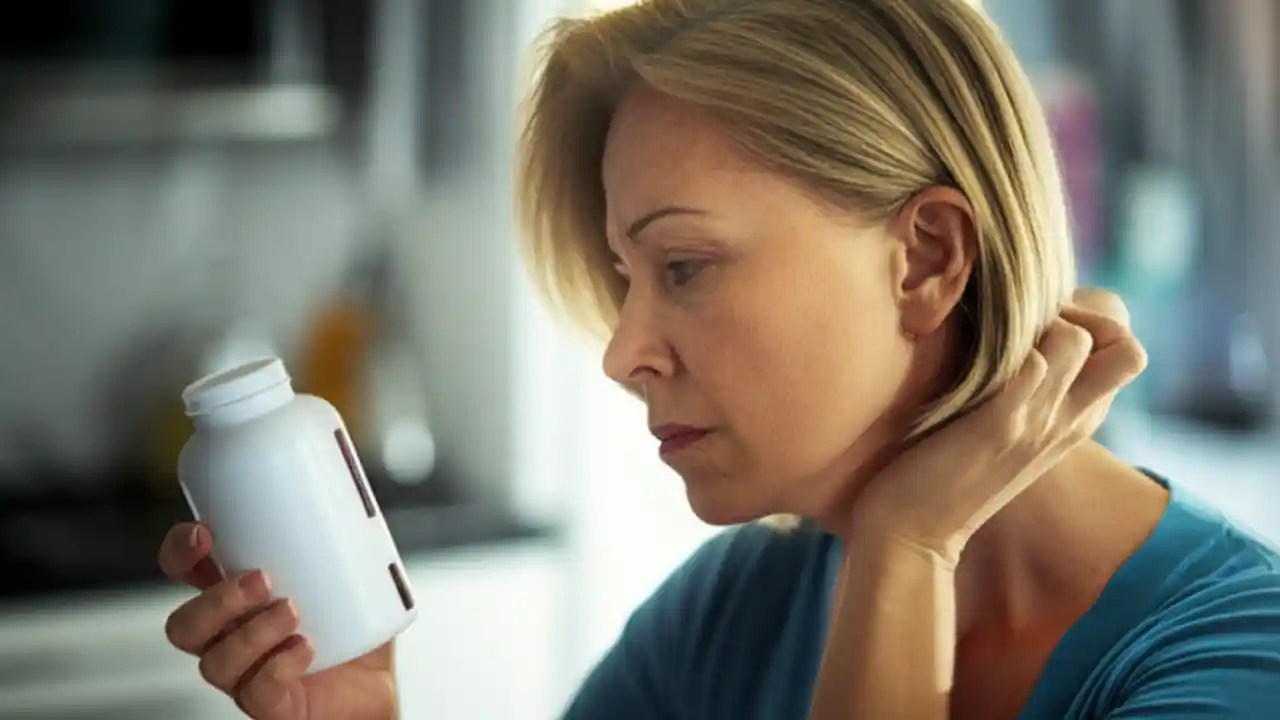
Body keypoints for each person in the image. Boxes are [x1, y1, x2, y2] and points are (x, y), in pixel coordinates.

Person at [156, 0, 1280, 717]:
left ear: (925, 259)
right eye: (622, 279)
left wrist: (908, 548)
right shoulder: (740, 604)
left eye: (683, 266)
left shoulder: (1237, 662)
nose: (623, 354)